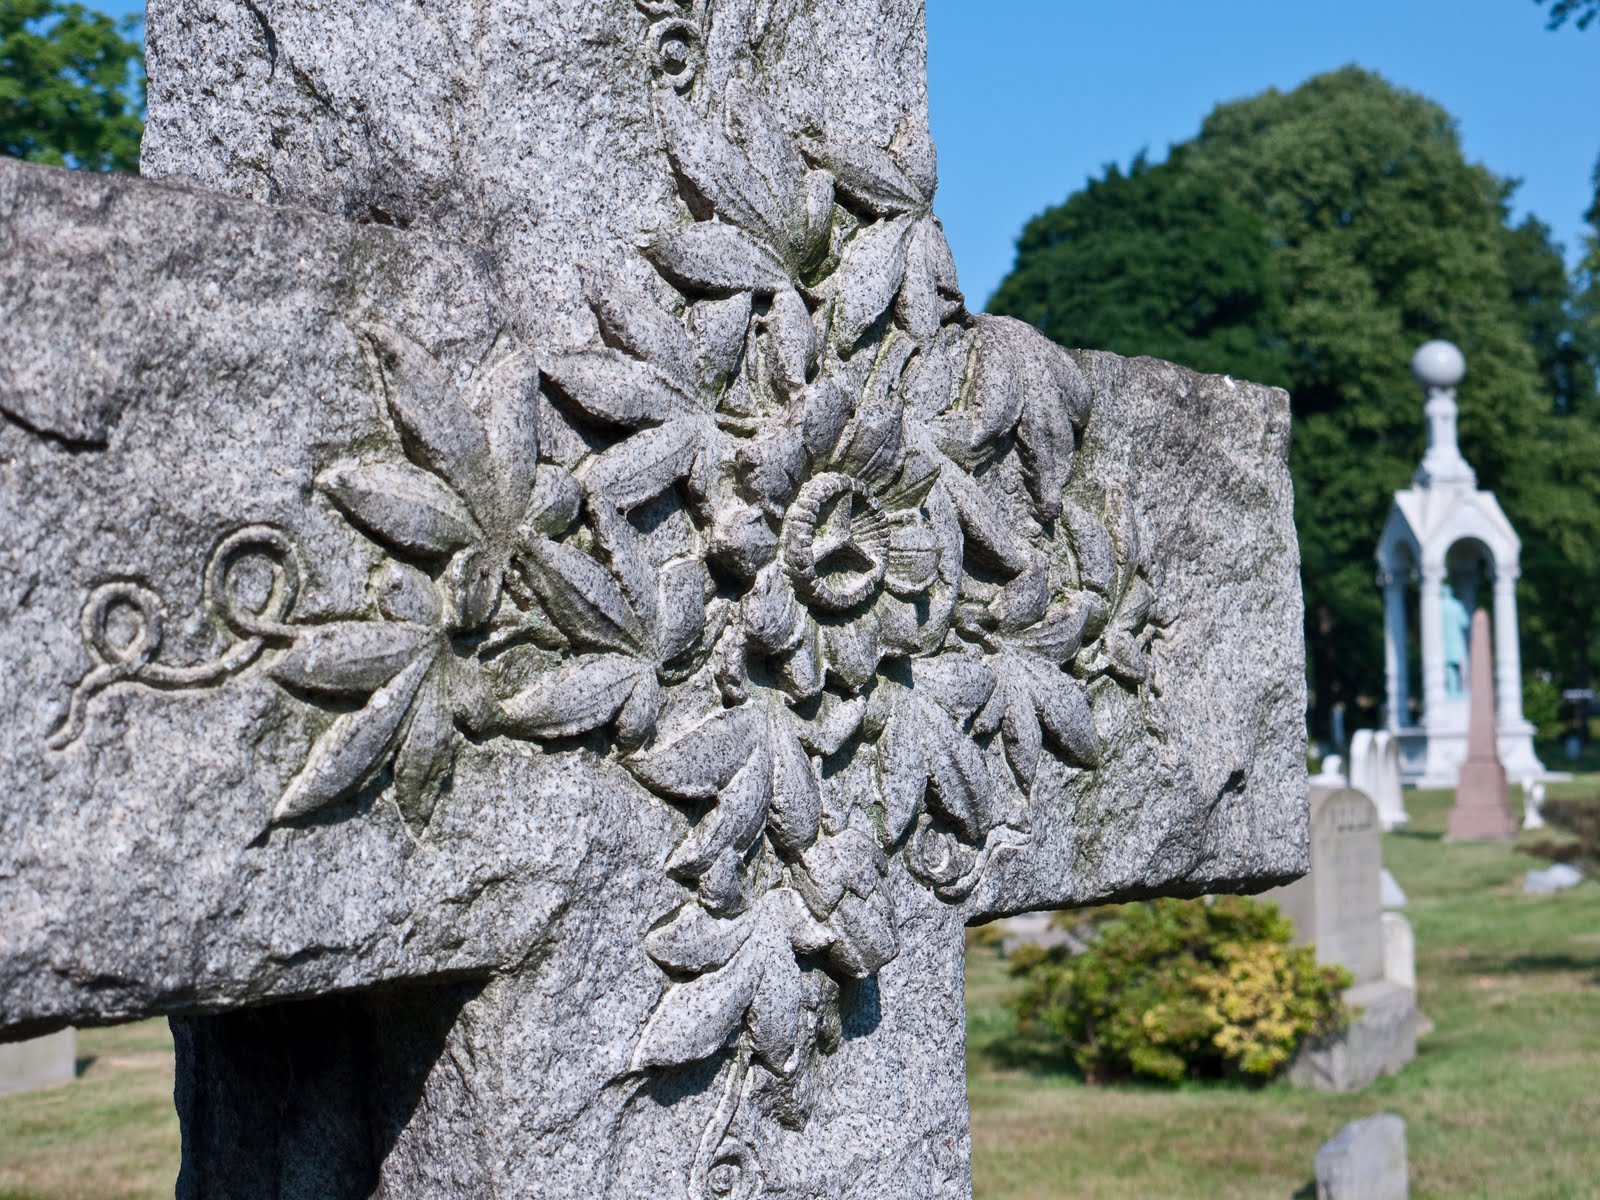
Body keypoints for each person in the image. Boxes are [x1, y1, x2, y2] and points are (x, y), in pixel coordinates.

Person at [1440, 582, 1470, 697]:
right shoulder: (1457, 606)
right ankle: (1457, 691)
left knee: (1448, 668)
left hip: (1442, 642)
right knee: (1457, 667)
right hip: (1455, 640)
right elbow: (1465, 622)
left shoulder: (1437, 606)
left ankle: (1452, 691)